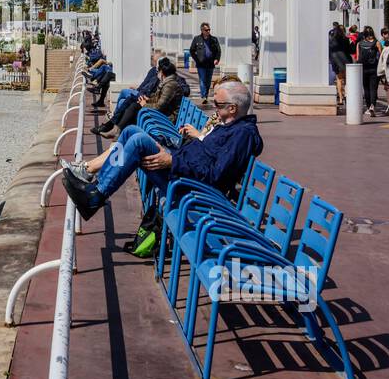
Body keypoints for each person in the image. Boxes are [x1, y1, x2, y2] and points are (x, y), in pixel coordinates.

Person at [61, 81, 263, 258]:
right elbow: (200, 155)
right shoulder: (227, 127)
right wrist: (171, 154)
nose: (215, 109)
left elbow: (215, 175)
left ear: (233, 108)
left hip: (191, 187)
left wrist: (172, 161)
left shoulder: (241, 135)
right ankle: (96, 186)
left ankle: (95, 197)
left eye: (218, 105)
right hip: (181, 169)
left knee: (138, 141)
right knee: (131, 131)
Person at [96, 56, 186, 136]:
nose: (157, 73)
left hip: (167, 117)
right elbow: (157, 97)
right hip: (163, 112)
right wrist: (147, 99)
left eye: (159, 71)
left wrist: (144, 104)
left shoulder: (170, 85)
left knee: (134, 107)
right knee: (133, 103)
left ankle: (117, 129)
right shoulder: (167, 83)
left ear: (162, 72)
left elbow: (159, 106)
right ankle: (117, 129)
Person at [98, 49, 163, 131]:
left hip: (142, 95)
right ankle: (114, 121)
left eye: (154, 60)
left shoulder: (157, 74)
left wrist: (141, 94)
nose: (152, 62)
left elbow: (152, 92)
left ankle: (113, 119)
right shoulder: (154, 71)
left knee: (124, 93)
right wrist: (138, 89)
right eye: (153, 60)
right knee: (123, 100)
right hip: (141, 93)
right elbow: (146, 85)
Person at [188, 23, 222, 105]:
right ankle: (204, 96)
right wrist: (196, 59)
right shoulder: (197, 39)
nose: (208, 31)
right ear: (202, 30)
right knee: (202, 80)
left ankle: (206, 94)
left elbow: (218, 50)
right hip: (201, 64)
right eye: (206, 30)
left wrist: (217, 59)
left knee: (208, 81)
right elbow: (192, 50)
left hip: (210, 63)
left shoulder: (214, 39)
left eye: (209, 30)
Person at [355, 26, 381, 116]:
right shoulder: (377, 43)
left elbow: (357, 58)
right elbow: (381, 56)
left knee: (366, 88)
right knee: (373, 88)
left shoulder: (359, 44)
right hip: (374, 68)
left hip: (363, 68)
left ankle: (368, 106)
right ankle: (372, 106)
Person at [328, 23, 352, 107]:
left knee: (339, 79)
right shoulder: (346, 39)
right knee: (346, 80)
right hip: (345, 60)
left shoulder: (331, 40)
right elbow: (349, 50)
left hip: (335, 61)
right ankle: (346, 95)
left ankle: (341, 98)